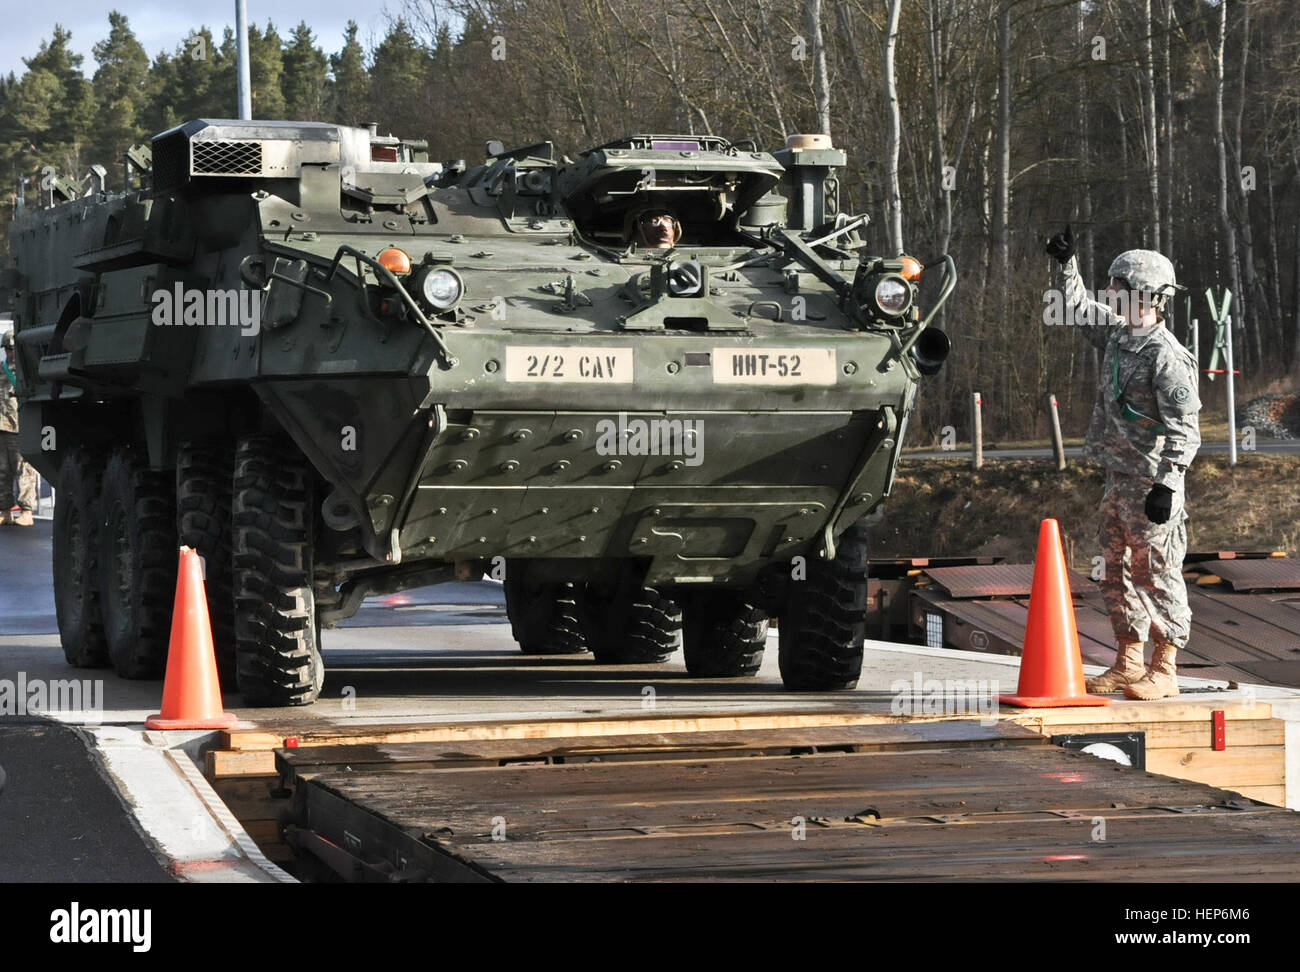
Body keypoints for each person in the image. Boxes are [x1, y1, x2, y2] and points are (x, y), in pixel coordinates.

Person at [1045, 226, 1201, 700]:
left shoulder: (1166, 356)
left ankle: (1165, 666)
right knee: (1117, 571)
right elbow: (1076, 307)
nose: (1111, 292)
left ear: (1148, 295)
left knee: (1157, 569)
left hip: (1151, 481)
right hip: (1119, 476)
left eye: (1120, 286)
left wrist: (1168, 484)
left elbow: (1186, 428)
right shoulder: (1118, 335)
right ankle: (1129, 660)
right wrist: (1065, 264)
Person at [1, 330, 35, 527]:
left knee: (24, 471)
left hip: (21, 428)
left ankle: (26, 511)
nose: (9, 353)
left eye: (12, 349)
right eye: (6, 349)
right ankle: (5, 511)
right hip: (2, 428)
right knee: (2, 472)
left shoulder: (28, 371)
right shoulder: (2, 369)